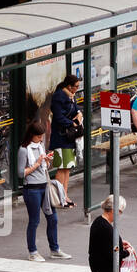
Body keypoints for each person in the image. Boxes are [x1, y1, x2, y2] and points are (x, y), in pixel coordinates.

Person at [19, 119, 71, 262]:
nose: (41, 139)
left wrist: (46, 161)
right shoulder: (24, 150)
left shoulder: (40, 147)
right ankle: (32, 251)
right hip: (32, 189)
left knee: (53, 218)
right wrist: (36, 164)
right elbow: (20, 173)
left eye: (42, 136)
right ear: (31, 135)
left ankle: (55, 249)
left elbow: (44, 169)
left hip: (44, 186)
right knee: (34, 221)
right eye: (38, 136)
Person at [48, 74, 82, 207]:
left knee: (67, 168)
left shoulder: (71, 96)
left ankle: (65, 195)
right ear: (69, 86)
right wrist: (72, 123)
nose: (77, 89)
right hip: (61, 136)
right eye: (76, 86)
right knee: (62, 168)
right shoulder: (59, 97)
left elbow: (75, 109)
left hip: (69, 137)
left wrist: (78, 114)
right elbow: (58, 117)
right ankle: (58, 197)